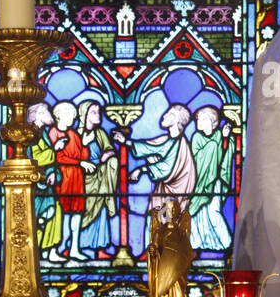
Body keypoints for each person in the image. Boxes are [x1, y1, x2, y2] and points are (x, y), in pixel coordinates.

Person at [128, 102, 197, 222]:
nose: (164, 115)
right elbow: (149, 147)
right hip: (162, 194)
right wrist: (126, 141)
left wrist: (141, 169)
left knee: (165, 229)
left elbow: (166, 168)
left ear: (177, 121)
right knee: (155, 226)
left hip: (174, 200)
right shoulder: (167, 140)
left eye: (170, 114)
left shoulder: (181, 146)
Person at [77, 99, 120, 259]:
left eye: (99, 112)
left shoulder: (100, 133)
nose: (98, 115)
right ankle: (76, 246)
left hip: (101, 178)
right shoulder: (76, 134)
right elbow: (73, 154)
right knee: (82, 211)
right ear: (84, 115)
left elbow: (109, 149)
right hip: (82, 180)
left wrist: (107, 156)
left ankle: (99, 248)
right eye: (93, 112)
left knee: (100, 212)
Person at [188, 107, 234, 252]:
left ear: (211, 121)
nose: (198, 121)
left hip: (214, 183)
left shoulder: (219, 137)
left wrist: (225, 138)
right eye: (197, 119)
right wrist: (217, 143)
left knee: (213, 213)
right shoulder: (196, 137)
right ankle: (196, 244)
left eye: (201, 119)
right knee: (197, 216)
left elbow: (223, 158)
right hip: (198, 184)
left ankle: (224, 244)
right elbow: (196, 160)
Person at [50, 100, 89, 261]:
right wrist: (80, 162)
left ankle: (74, 248)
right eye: (68, 115)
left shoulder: (74, 135)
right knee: (64, 213)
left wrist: (85, 144)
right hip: (63, 178)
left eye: (73, 115)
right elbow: (58, 158)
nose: (72, 118)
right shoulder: (53, 133)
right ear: (58, 116)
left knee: (77, 213)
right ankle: (60, 247)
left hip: (77, 178)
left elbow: (83, 156)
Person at [28, 102, 63, 256]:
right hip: (35, 185)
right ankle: (37, 252)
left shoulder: (42, 134)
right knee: (37, 218)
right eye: (47, 112)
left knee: (54, 213)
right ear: (38, 114)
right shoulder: (30, 134)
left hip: (46, 183)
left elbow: (50, 161)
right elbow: (35, 157)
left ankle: (49, 251)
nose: (51, 115)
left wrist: (53, 172)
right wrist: (54, 149)